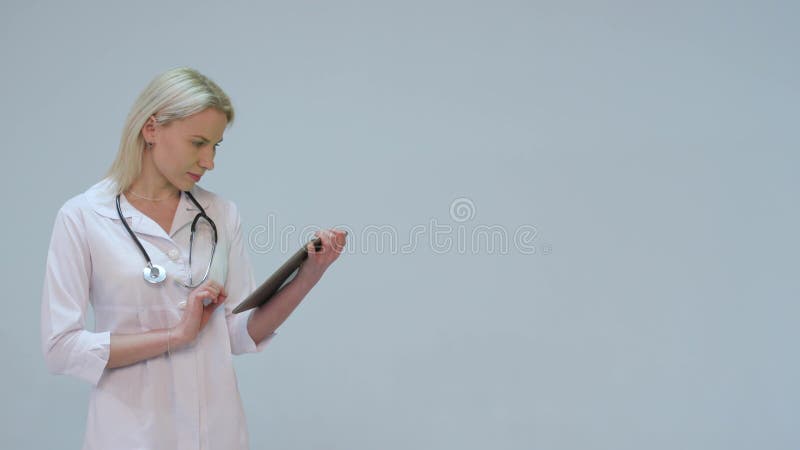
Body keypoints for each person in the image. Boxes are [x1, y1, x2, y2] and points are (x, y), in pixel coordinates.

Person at [40, 67, 347, 450]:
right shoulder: (83, 217)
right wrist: (175, 336)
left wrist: (308, 276)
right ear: (151, 129)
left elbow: (238, 332)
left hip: (216, 432)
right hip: (130, 435)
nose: (209, 161)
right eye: (198, 142)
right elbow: (61, 349)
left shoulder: (220, 214)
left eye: (215, 146)